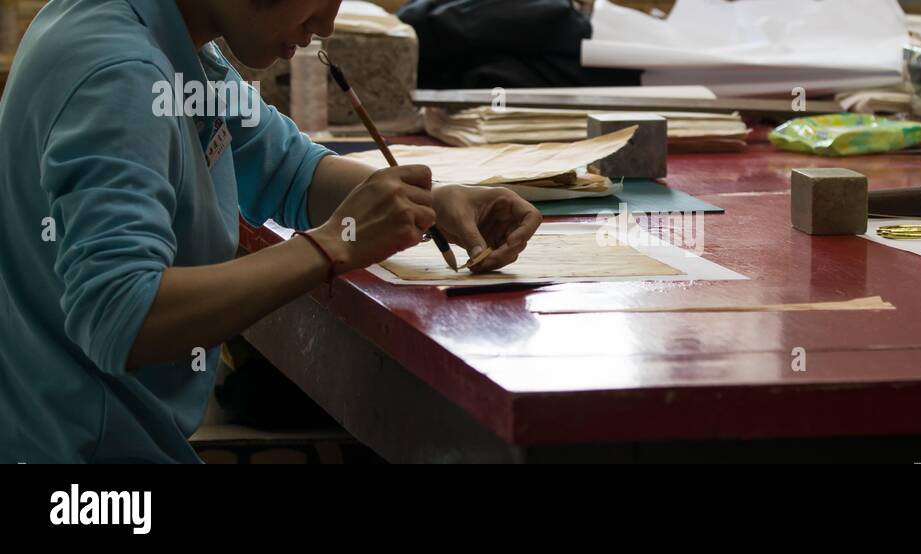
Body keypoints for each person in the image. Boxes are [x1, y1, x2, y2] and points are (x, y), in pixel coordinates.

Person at [0, 0, 542, 463]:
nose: (328, 24)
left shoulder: (176, 38)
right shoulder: (119, 72)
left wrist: (431, 200)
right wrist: (335, 244)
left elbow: (290, 171)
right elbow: (125, 314)